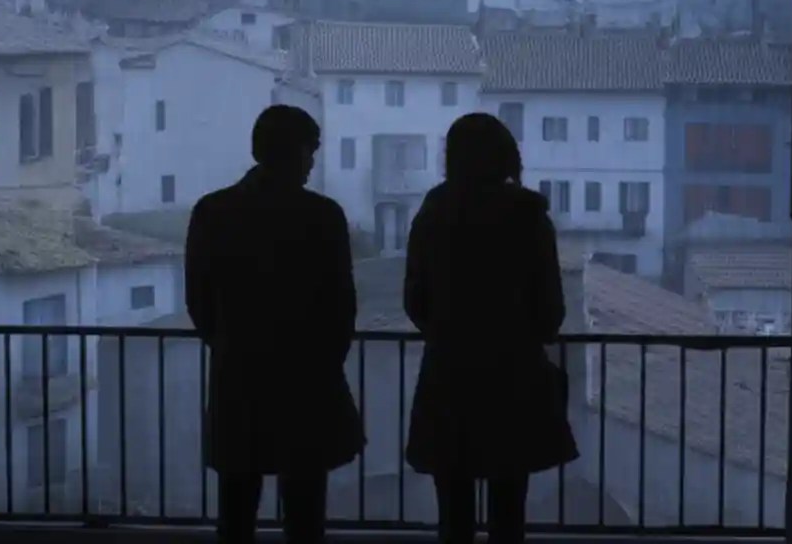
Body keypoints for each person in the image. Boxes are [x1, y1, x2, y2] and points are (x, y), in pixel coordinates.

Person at [186, 105, 364, 544]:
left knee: (236, 510)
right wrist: (322, 360)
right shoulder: (322, 217)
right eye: (309, 153)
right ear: (298, 152)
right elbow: (341, 306)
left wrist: (229, 343)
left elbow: (200, 303)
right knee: (305, 515)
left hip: (238, 379)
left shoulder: (213, 212)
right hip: (307, 382)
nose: (311, 164)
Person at [403, 113, 579, 544]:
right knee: (508, 508)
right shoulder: (527, 216)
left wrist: (447, 333)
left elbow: (415, 300)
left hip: (449, 377)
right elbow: (550, 309)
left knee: (454, 509)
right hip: (513, 379)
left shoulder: (435, 212)